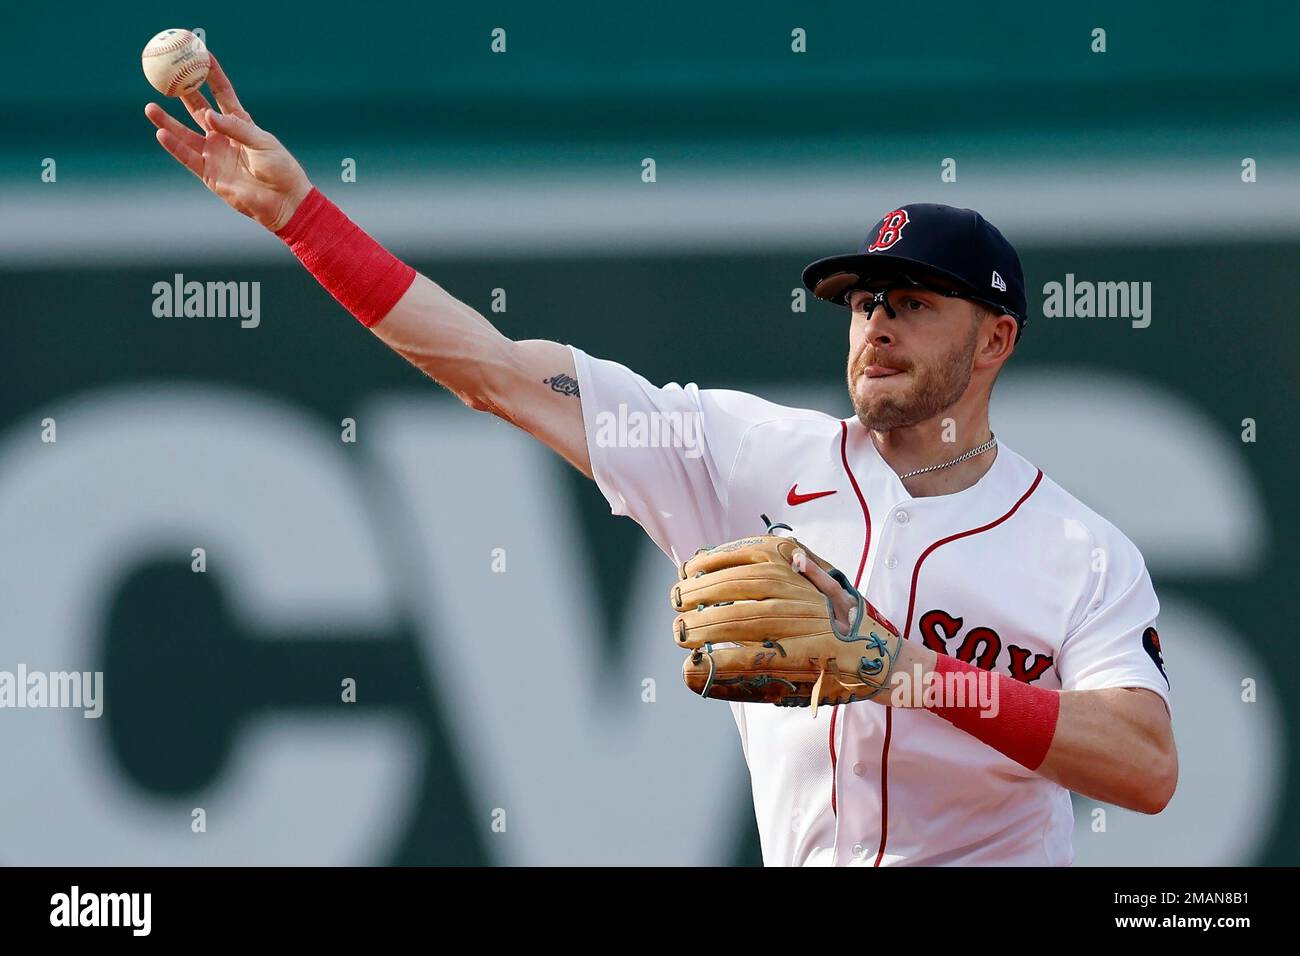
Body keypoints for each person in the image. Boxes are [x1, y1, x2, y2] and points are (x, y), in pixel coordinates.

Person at [145, 57, 1177, 866]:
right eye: (863, 301)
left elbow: (1143, 763)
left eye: (912, 302)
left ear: (994, 338)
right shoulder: (743, 455)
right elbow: (495, 372)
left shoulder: (1074, 548)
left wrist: (901, 670)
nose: (875, 325)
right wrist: (301, 217)